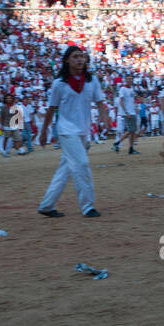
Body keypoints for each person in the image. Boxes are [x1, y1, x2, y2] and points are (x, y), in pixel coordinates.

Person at [36, 45, 107, 218]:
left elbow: (100, 102)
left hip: (83, 130)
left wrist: (105, 120)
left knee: (66, 169)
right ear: (67, 60)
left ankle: (47, 205)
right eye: (75, 57)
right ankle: (87, 205)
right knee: (82, 164)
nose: (80, 60)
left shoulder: (91, 81)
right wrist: (44, 131)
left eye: (82, 56)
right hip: (66, 130)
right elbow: (51, 109)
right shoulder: (59, 84)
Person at [112, 74, 139, 155]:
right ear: (125, 80)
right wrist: (126, 112)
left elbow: (133, 100)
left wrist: (135, 107)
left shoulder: (131, 89)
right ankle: (117, 143)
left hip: (132, 112)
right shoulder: (123, 88)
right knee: (131, 130)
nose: (130, 80)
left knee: (133, 131)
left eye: (131, 79)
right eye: (128, 79)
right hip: (128, 113)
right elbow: (121, 101)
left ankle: (131, 148)